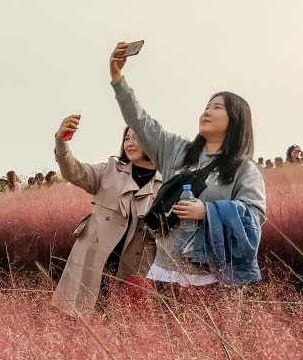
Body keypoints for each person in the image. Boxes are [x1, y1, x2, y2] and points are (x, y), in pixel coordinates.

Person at [109, 41, 266, 288]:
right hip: (160, 274)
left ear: (236, 120)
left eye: (217, 108)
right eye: (206, 107)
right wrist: (118, 79)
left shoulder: (244, 170)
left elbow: (255, 217)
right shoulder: (177, 151)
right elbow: (140, 122)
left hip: (210, 281)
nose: (207, 112)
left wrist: (208, 211)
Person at [51, 118, 162, 315]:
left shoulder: (165, 183)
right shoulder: (110, 170)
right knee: (82, 320)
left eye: (136, 138)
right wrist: (62, 142)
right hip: (93, 261)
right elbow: (75, 171)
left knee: (120, 327)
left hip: (133, 269)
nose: (129, 142)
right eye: (127, 138)